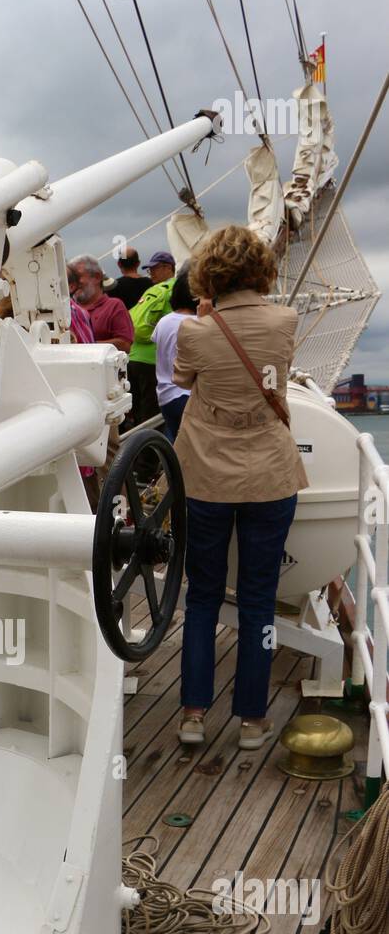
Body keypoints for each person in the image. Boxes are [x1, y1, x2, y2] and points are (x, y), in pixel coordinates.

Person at [172, 224, 308, 751]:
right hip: (270, 474)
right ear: (260, 269)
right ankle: (252, 720)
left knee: (202, 595)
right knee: (258, 598)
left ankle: (192, 714)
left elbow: (184, 379)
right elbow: (278, 369)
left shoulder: (193, 330)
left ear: (209, 273)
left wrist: (205, 323)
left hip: (206, 473)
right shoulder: (285, 319)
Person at [126, 250, 176, 426]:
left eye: (154, 269)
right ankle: (152, 452)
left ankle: (135, 451)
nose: (151, 273)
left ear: (168, 268)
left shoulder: (153, 291)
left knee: (137, 411)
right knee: (152, 415)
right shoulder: (173, 290)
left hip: (133, 357)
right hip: (153, 361)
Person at [151, 263, 198, 442]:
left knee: (174, 441)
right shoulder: (198, 323)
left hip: (165, 395)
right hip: (187, 395)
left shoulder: (165, 321)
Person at [67, 256, 134, 352]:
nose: (73, 282)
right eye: (70, 278)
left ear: (97, 277)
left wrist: (85, 344)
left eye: (77, 276)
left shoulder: (114, 306)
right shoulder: (69, 310)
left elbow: (125, 344)